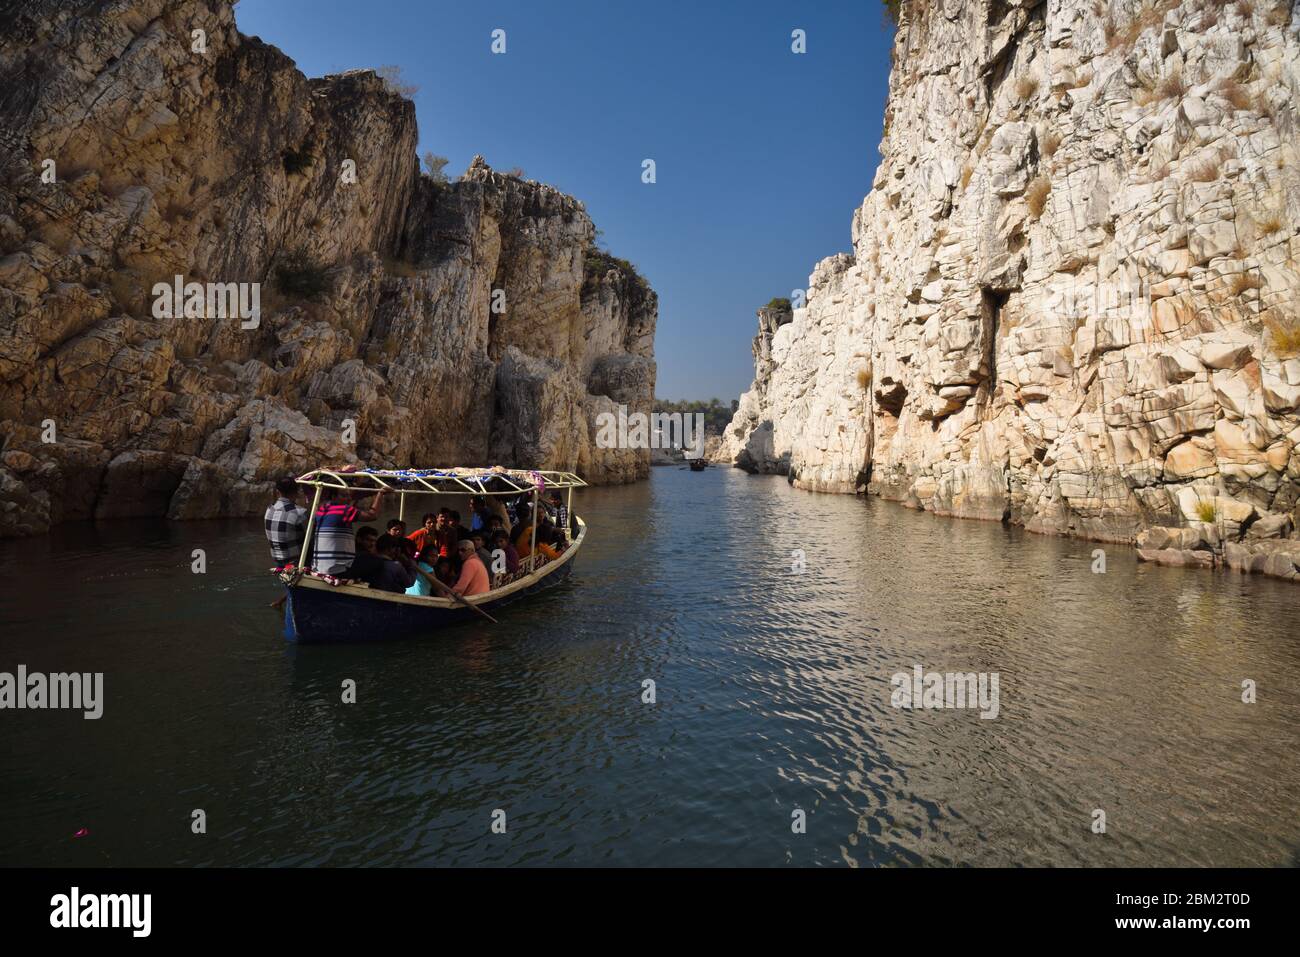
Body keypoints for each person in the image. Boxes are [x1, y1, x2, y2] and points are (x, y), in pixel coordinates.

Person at [311, 486, 384, 576]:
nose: (349, 499)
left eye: (349, 496)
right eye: (344, 495)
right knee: (379, 562)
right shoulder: (344, 509)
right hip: (339, 568)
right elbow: (372, 515)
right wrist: (380, 494)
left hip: (318, 567)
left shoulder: (321, 510)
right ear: (334, 497)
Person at [265, 478, 309, 566]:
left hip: (278, 561)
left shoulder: (269, 509)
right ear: (296, 492)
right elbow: (309, 538)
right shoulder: (299, 512)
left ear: (277, 491)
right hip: (296, 562)